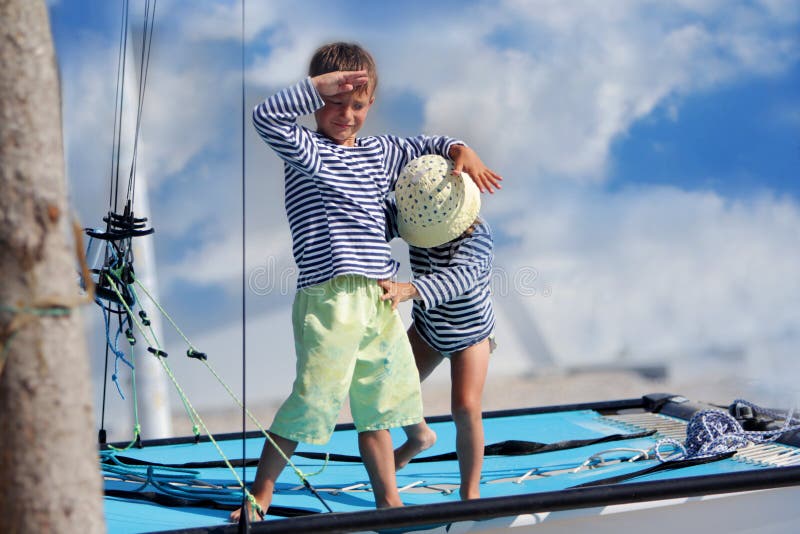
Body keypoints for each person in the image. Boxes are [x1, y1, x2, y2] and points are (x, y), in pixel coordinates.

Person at [230, 42, 501, 522]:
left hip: (379, 296)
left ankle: (387, 501)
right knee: (313, 396)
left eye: (357, 104)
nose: (346, 114)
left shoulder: (381, 152)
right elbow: (265, 117)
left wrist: (462, 149)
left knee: (376, 404)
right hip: (329, 296)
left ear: (371, 104)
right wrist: (319, 86)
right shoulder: (306, 150)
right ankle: (260, 495)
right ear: (317, 99)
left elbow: (427, 146)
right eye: (335, 102)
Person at [379, 154, 497, 500]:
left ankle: (469, 492)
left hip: (471, 336)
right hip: (429, 328)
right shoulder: (415, 213)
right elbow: (373, 223)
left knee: (465, 407)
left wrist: (408, 289)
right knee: (389, 387)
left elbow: (458, 278)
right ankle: (419, 437)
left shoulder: (478, 237)